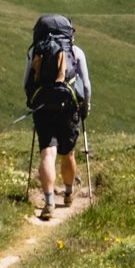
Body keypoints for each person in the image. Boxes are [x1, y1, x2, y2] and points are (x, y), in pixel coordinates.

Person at [24, 12, 91, 220]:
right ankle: (69, 193)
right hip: (68, 107)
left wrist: (33, 101)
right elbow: (86, 85)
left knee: (47, 153)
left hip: (43, 107)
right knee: (67, 152)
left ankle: (49, 201)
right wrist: (85, 107)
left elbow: (26, 82)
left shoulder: (35, 51)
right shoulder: (75, 51)